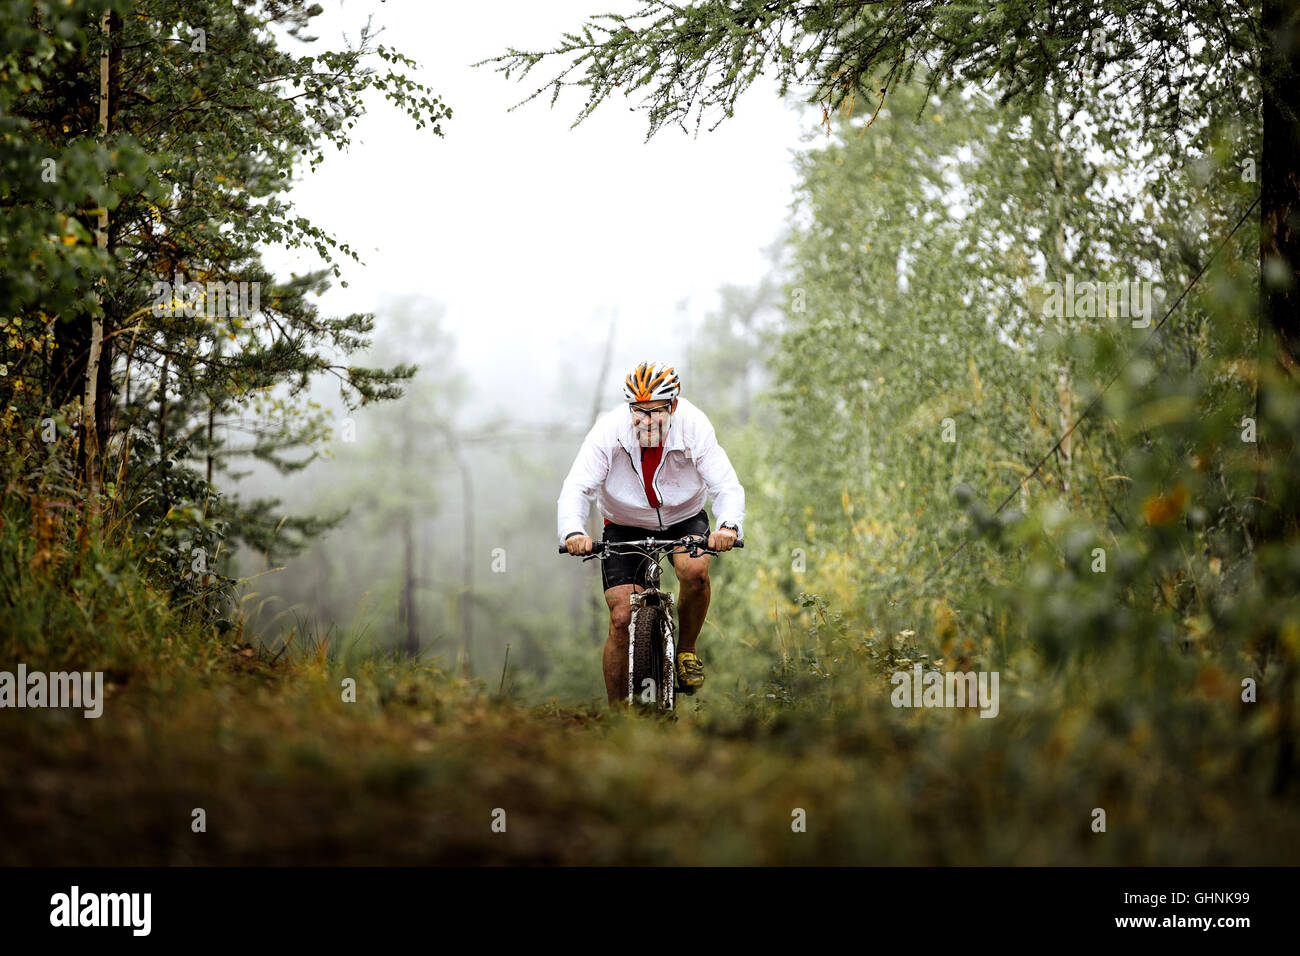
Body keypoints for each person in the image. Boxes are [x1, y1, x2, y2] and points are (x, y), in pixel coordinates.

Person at [557, 361, 745, 706]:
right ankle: (619, 718)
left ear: (672, 405)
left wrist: (728, 526)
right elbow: (577, 487)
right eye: (638, 412)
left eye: (655, 412)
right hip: (623, 523)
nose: (645, 421)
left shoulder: (694, 425)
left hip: (683, 517)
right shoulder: (609, 431)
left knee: (694, 571)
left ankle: (686, 651)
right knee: (621, 617)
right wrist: (573, 531)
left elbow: (726, 486)